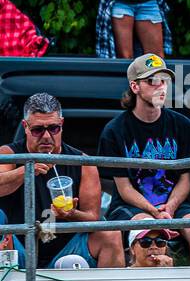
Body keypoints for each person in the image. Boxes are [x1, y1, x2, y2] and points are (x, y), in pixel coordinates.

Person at [99, 54, 190, 266]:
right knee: (148, 229)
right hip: (130, 206)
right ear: (135, 87)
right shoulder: (114, 130)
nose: (160, 86)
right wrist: (153, 212)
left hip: (175, 204)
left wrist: (169, 208)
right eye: (152, 81)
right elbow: (124, 189)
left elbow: (186, 179)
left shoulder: (182, 125)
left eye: (164, 80)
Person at [0, 94, 124, 268]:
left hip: (64, 250)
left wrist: (70, 213)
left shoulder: (82, 162)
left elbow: (93, 217)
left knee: (110, 233)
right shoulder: (10, 154)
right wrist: (26, 170)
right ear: (25, 127)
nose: (46, 136)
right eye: (37, 129)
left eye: (53, 128)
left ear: (62, 125)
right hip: (16, 249)